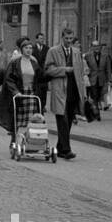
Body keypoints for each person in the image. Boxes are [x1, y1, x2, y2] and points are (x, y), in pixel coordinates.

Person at [44, 27, 87, 160]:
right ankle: (67, 150)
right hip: (59, 91)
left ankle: (60, 148)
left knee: (68, 122)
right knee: (62, 120)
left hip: (73, 91)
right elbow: (48, 70)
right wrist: (64, 70)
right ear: (62, 38)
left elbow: (80, 73)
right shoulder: (53, 51)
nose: (69, 41)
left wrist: (83, 91)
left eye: (71, 39)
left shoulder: (76, 52)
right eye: (66, 38)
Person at [1, 38, 44, 145]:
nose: (29, 50)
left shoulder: (34, 63)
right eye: (26, 48)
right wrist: (15, 91)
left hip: (31, 94)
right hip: (20, 93)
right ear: (21, 50)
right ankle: (14, 140)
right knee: (18, 118)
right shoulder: (15, 62)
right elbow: (9, 79)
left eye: (30, 48)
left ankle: (31, 141)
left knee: (32, 119)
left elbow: (40, 77)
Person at [86, 40, 112, 110]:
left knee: (101, 93)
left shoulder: (105, 56)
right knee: (94, 94)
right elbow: (85, 67)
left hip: (102, 78)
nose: (96, 48)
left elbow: (108, 69)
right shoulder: (87, 56)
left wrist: (110, 80)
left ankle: (98, 105)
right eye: (94, 46)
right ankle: (95, 108)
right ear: (92, 47)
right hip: (92, 78)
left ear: (100, 47)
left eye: (98, 46)